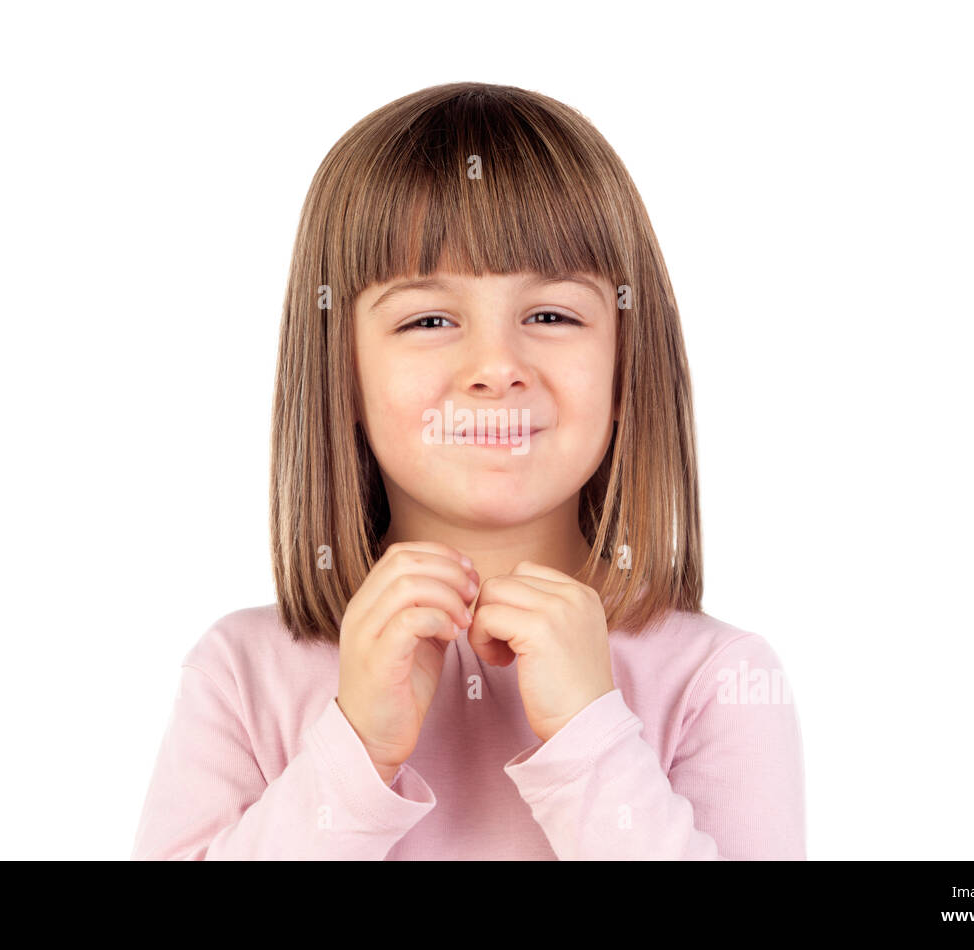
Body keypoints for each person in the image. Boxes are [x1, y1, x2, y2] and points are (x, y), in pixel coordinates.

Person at [130, 81, 805, 860]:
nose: (496, 366)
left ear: (626, 370)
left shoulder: (720, 681)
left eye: (551, 315)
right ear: (341, 374)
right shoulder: (241, 675)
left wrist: (592, 740)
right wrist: (352, 755)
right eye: (428, 319)